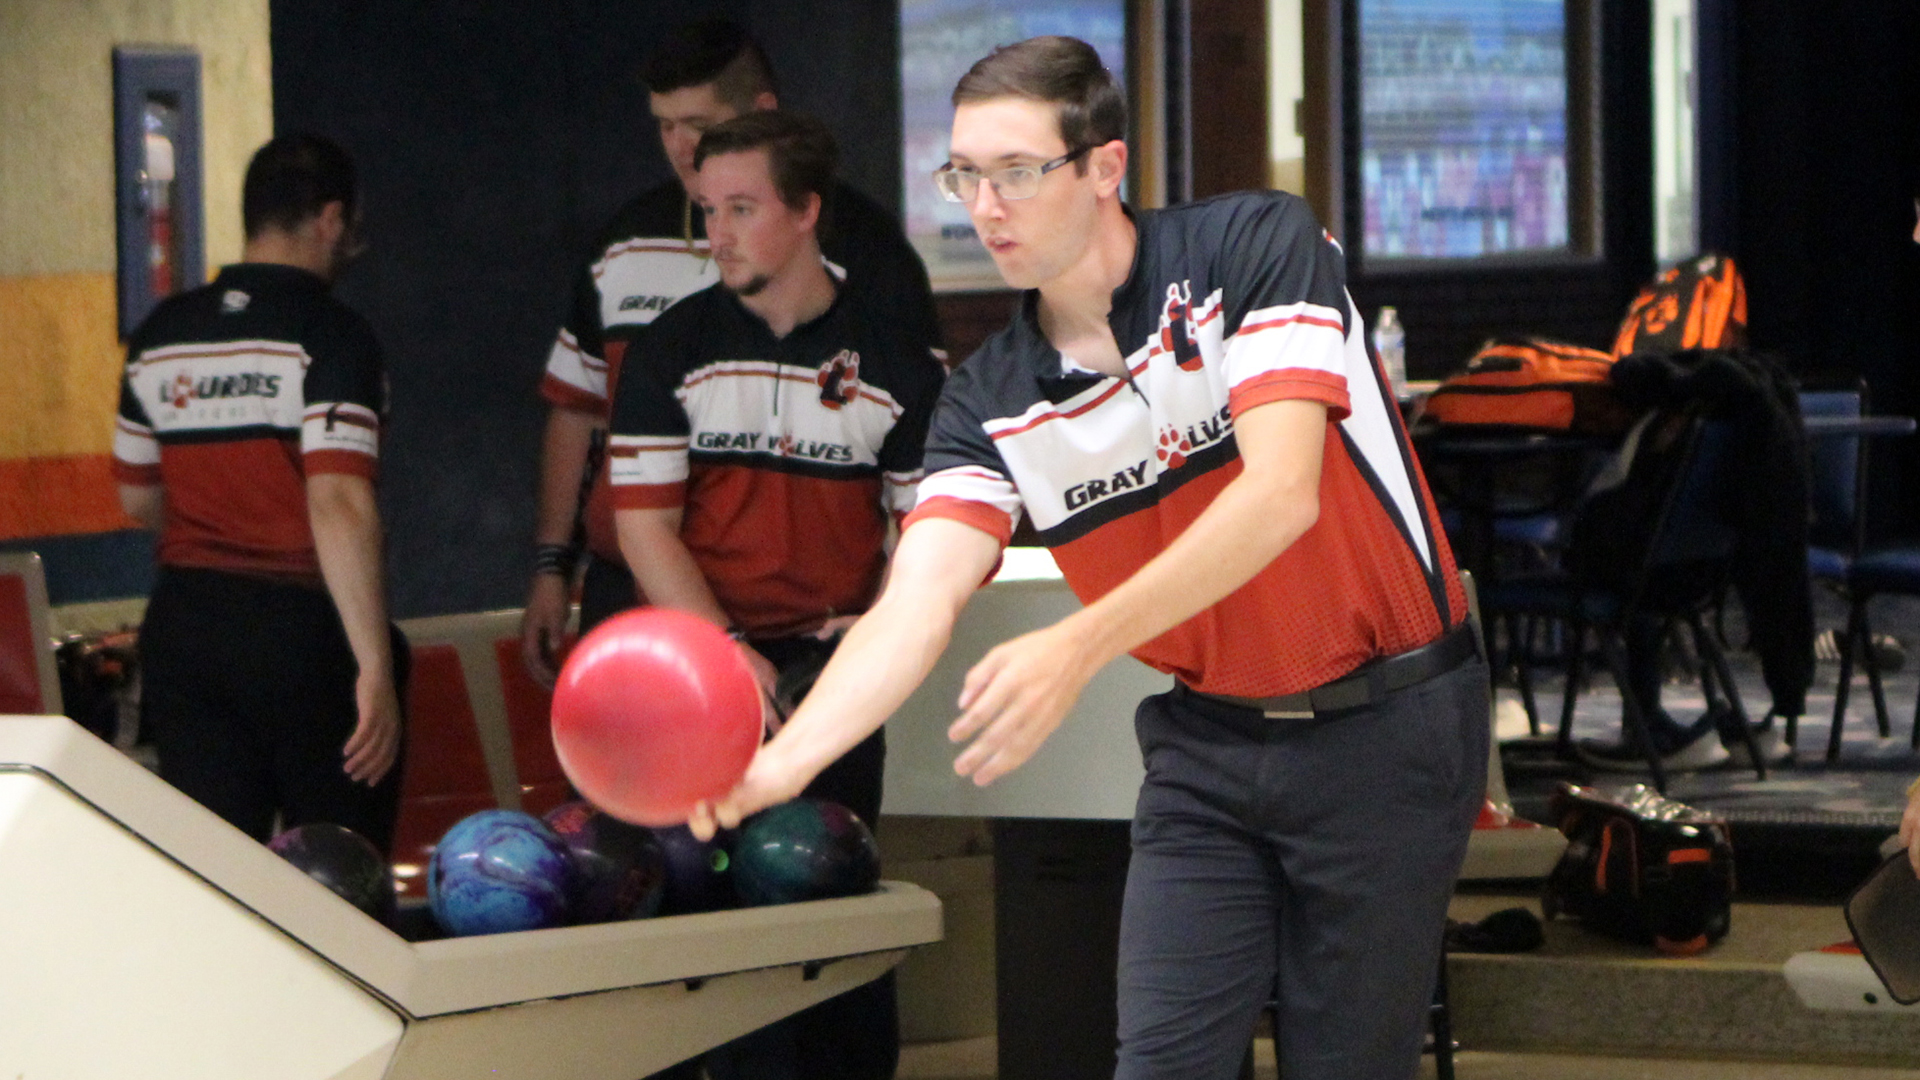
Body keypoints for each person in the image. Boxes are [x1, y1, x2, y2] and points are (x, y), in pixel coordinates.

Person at [696, 36, 1489, 1080]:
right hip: (1206, 748)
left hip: (1385, 728)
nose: (986, 206)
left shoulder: (1253, 246)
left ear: (1104, 168)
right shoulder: (989, 397)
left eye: (1017, 172)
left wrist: (1076, 648)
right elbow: (916, 601)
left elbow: (1280, 494)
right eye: (965, 176)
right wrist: (780, 767)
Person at [610, 109, 944, 1080]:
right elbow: (643, 527)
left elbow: (929, 528)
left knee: (830, 916)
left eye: (741, 209)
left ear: (805, 211)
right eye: (706, 211)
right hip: (694, 674)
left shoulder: (895, 360)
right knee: (690, 929)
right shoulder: (670, 349)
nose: (716, 235)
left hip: (829, 681)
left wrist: (879, 619)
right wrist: (725, 650)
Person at [520, 16, 940, 683]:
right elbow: (577, 410)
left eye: (701, 125)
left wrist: (888, 621)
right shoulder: (625, 244)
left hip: (823, 614)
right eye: (664, 126)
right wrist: (550, 566)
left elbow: (924, 468)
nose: (681, 147)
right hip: (637, 582)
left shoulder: (872, 256)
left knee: (821, 791)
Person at [113, 133, 407, 853]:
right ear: (332, 220)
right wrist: (373, 664)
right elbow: (338, 501)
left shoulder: (162, 334)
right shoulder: (333, 335)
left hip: (186, 631)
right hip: (304, 636)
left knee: (219, 882)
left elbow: (137, 497)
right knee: (339, 875)